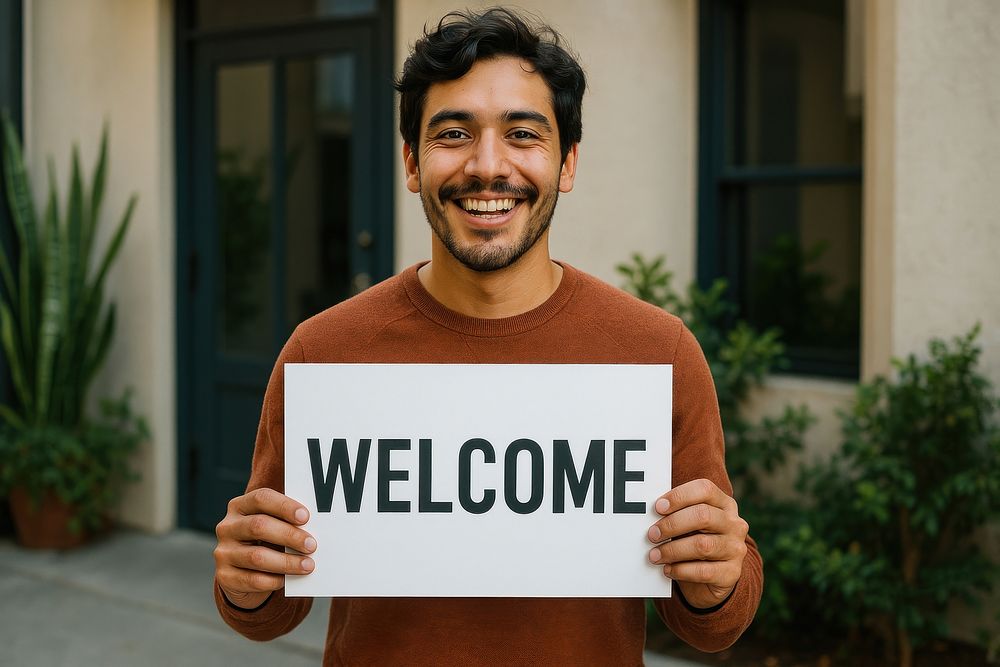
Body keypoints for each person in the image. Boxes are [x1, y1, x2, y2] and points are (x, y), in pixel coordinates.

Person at [213, 7, 762, 664]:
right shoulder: (322, 353)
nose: (488, 166)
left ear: (567, 163)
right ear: (412, 163)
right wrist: (247, 579)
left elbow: (711, 623)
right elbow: (271, 606)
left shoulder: (657, 352)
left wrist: (717, 571)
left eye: (523, 132)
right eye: (453, 133)